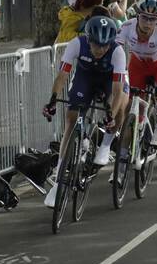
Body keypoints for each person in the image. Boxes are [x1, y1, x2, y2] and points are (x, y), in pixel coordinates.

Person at [42, 17, 128, 207]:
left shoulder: (117, 52)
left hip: (109, 82)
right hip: (85, 78)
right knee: (71, 118)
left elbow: (117, 90)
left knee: (121, 105)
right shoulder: (76, 44)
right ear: (88, 39)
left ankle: (106, 144)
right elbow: (62, 75)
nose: (101, 50)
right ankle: (59, 176)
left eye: (105, 46)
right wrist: (53, 99)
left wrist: (111, 115)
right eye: (97, 45)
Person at [117, 0, 157, 148]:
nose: (148, 23)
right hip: (138, 64)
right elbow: (115, 52)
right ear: (137, 16)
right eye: (144, 18)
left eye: (153, 19)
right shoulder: (126, 26)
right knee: (129, 108)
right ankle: (122, 157)